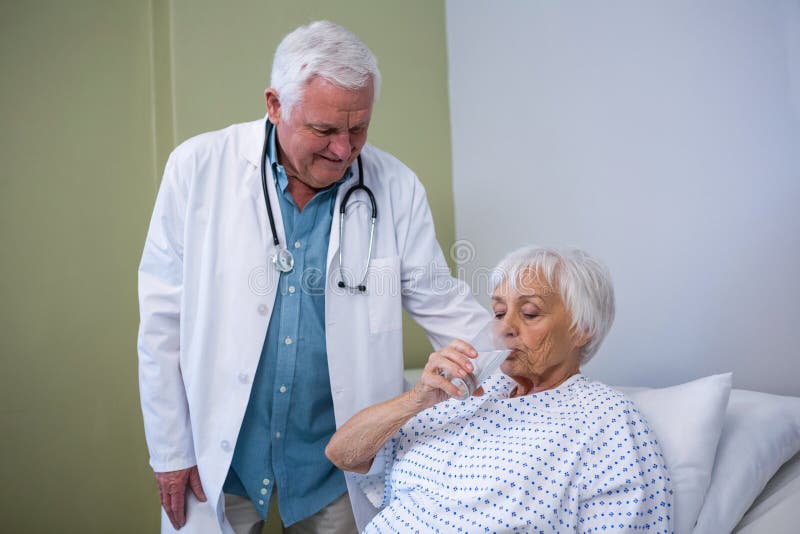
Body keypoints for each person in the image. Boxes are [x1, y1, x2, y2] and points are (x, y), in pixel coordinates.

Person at [137, 20, 488, 534]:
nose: (345, 150)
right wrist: (169, 449)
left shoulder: (395, 187)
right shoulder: (197, 168)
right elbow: (162, 321)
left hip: (337, 463)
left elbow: (445, 304)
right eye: (325, 130)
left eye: (359, 128)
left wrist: (534, 367)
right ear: (275, 105)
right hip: (223, 453)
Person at [326, 246, 674, 532]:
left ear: (582, 329)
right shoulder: (460, 394)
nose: (504, 329)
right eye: (498, 312)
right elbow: (343, 454)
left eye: (530, 313)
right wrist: (416, 400)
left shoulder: (606, 418)